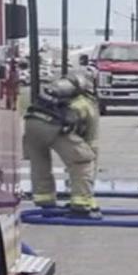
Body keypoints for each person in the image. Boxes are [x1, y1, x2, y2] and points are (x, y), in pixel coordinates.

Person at [23, 72, 102, 218]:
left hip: (31, 124)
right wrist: (90, 198)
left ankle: (45, 202)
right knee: (83, 161)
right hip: (53, 126)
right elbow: (92, 139)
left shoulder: (51, 96)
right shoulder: (86, 103)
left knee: (40, 164)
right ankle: (80, 205)